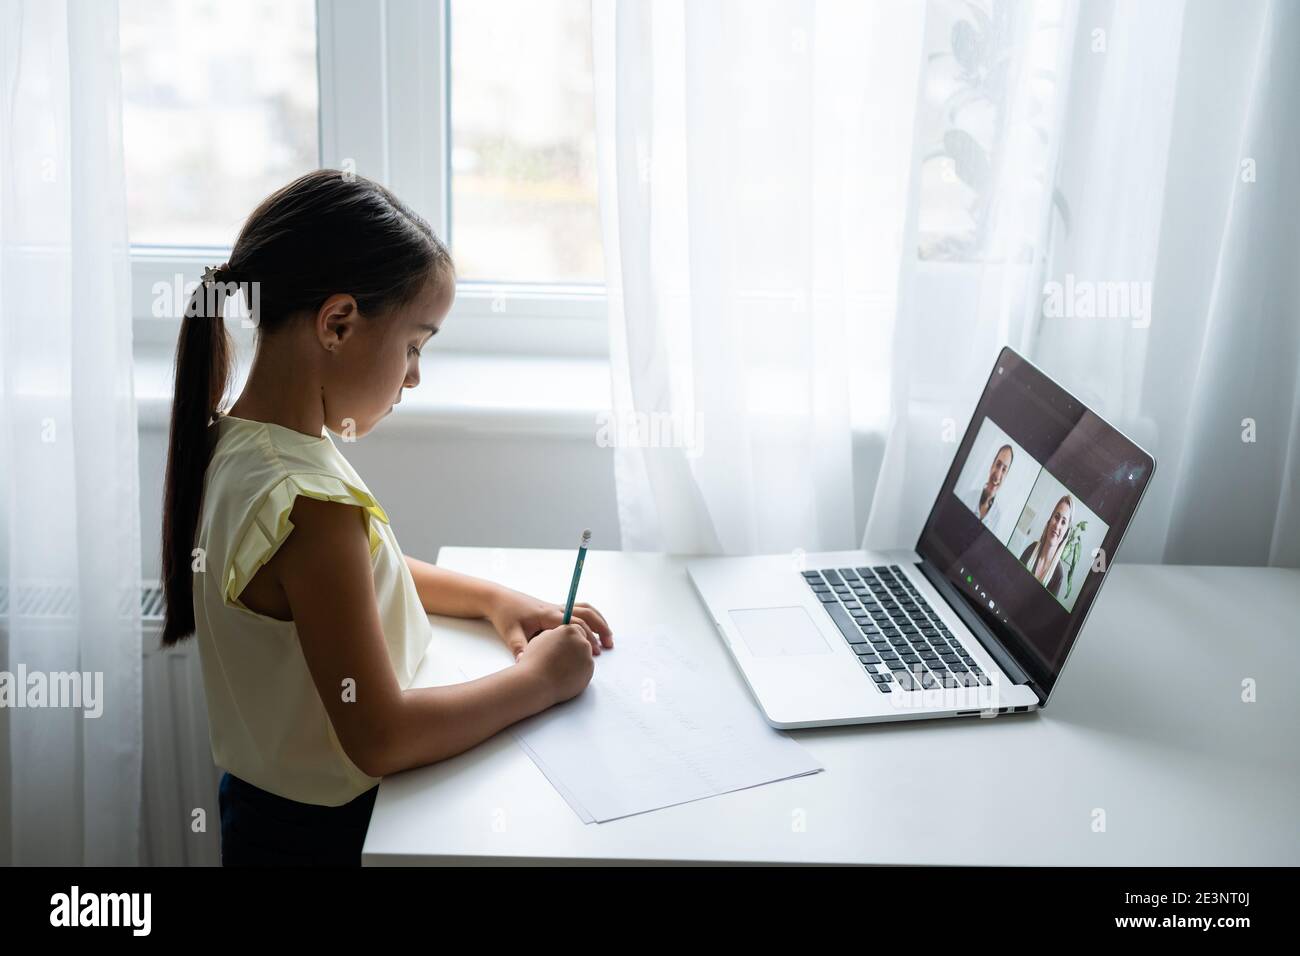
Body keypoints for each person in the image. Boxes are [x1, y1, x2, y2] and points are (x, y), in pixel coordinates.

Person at [159, 169, 613, 865]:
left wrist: (496, 599)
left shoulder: (243, 444)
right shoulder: (309, 503)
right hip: (336, 838)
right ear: (337, 323)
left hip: (262, 817)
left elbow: (355, 577)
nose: (414, 377)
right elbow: (383, 738)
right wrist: (539, 682)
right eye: (414, 345)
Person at [1019, 495, 1073, 598]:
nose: (1057, 526)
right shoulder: (1031, 549)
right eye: (1056, 517)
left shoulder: (1058, 575)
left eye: (1063, 522)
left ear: (1066, 533)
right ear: (1050, 519)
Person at [961, 443, 1015, 533]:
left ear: (1006, 476)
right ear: (992, 465)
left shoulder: (997, 519)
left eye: (1004, 470)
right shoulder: (968, 497)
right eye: (998, 464)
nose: (998, 475)